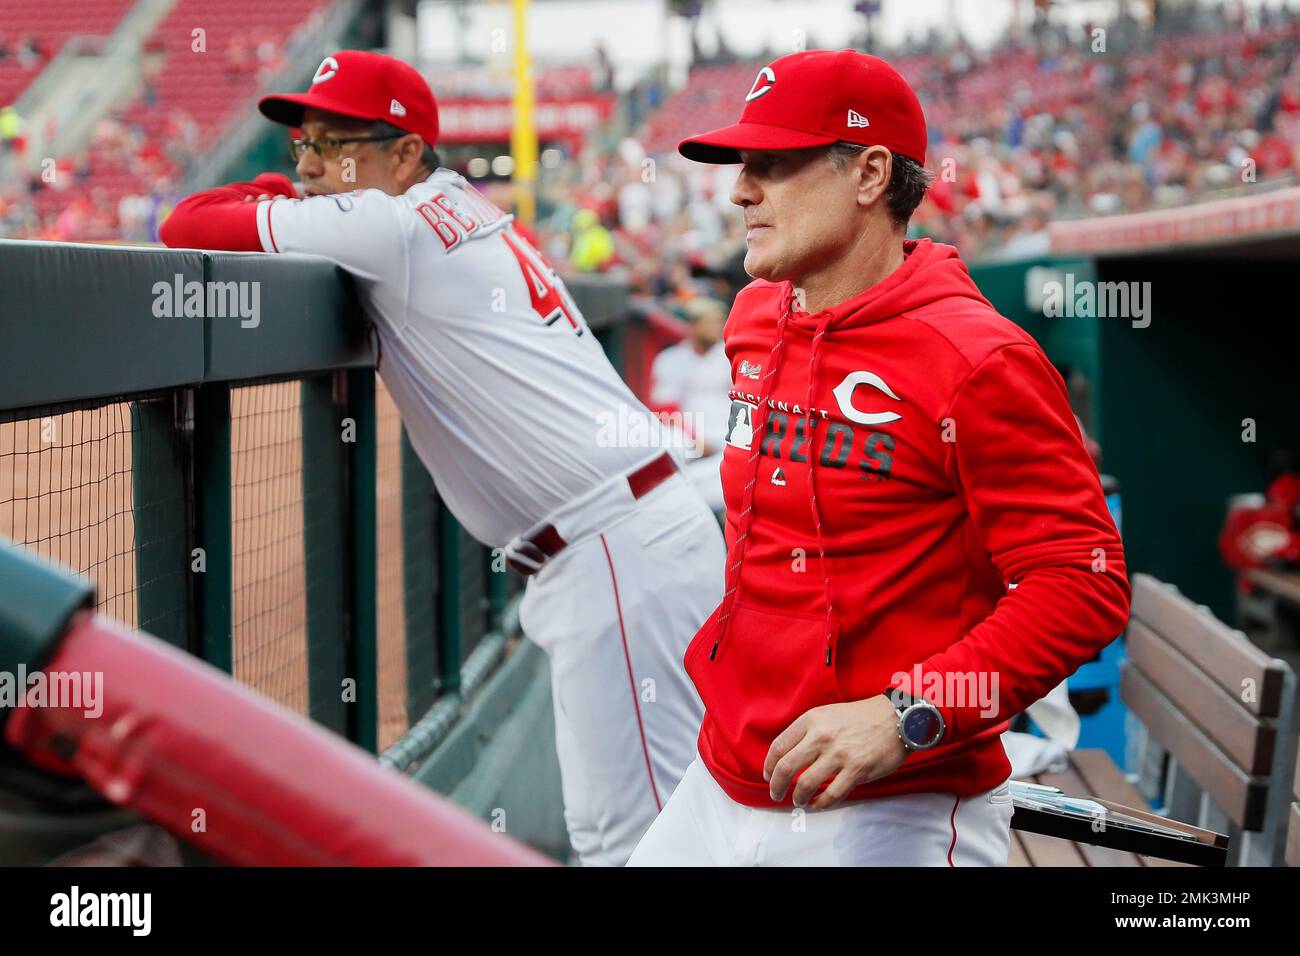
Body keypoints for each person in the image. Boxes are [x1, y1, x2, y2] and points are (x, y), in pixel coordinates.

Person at [159, 50, 725, 866]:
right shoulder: (453, 205)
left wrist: (283, 197)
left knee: (632, 838)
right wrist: (308, 187)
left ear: (404, 152)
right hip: (630, 534)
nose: (314, 165)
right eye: (301, 148)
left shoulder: (392, 224)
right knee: (676, 819)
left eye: (336, 143)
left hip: (613, 550)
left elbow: (185, 222)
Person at [628, 49, 1130, 866]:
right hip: (725, 770)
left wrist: (909, 712)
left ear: (868, 175)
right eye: (741, 164)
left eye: (775, 163)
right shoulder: (755, 316)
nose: (740, 189)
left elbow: (1083, 582)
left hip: (891, 799)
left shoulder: (977, 357)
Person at [649, 296, 732, 511]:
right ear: (694, 325)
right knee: (669, 444)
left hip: (726, 427)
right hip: (689, 428)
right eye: (710, 322)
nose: (717, 327)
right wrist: (694, 438)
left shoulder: (731, 354)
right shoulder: (671, 358)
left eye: (719, 321)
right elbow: (665, 407)